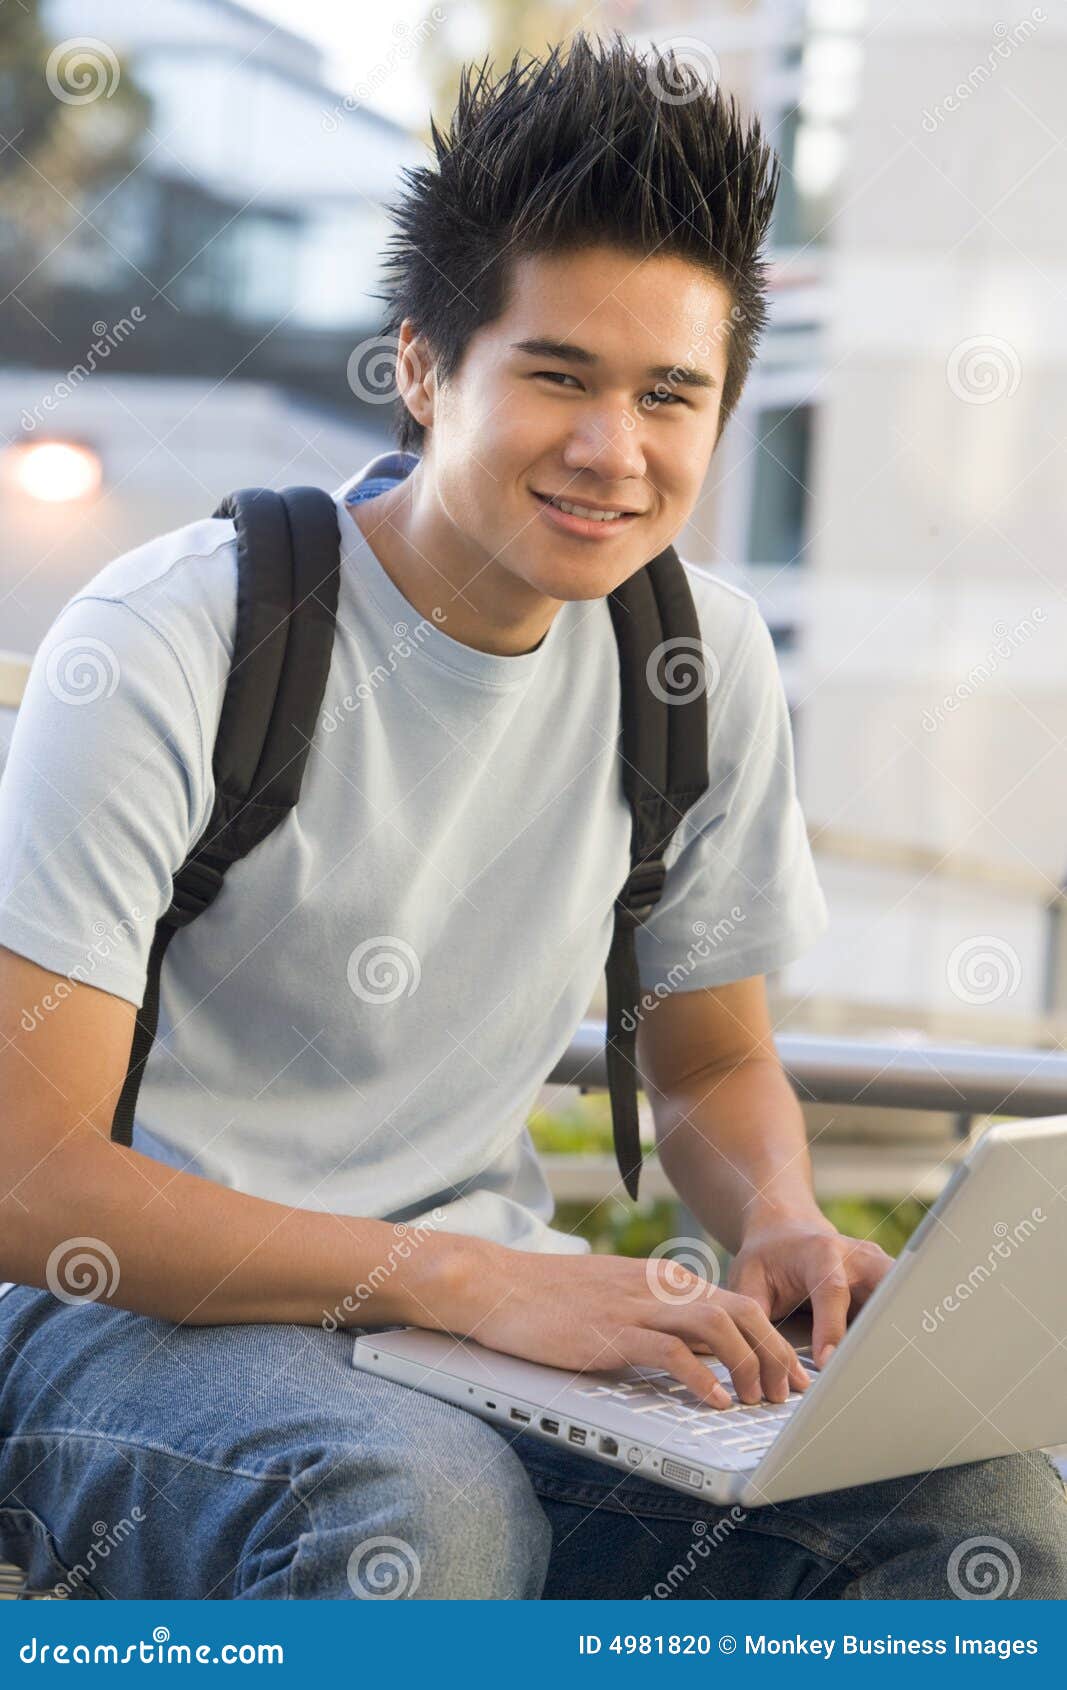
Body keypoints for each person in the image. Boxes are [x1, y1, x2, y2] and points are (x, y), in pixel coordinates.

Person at [1, 32, 1064, 1602]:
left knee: (983, 1512)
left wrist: (777, 1216)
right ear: (424, 365)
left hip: (481, 1330)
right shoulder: (173, 637)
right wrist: (463, 1277)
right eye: (557, 375)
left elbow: (711, 1059)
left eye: (669, 396)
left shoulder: (693, 664)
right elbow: (33, 1181)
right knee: (412, 1521)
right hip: (134, 1331)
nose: (611, 451)